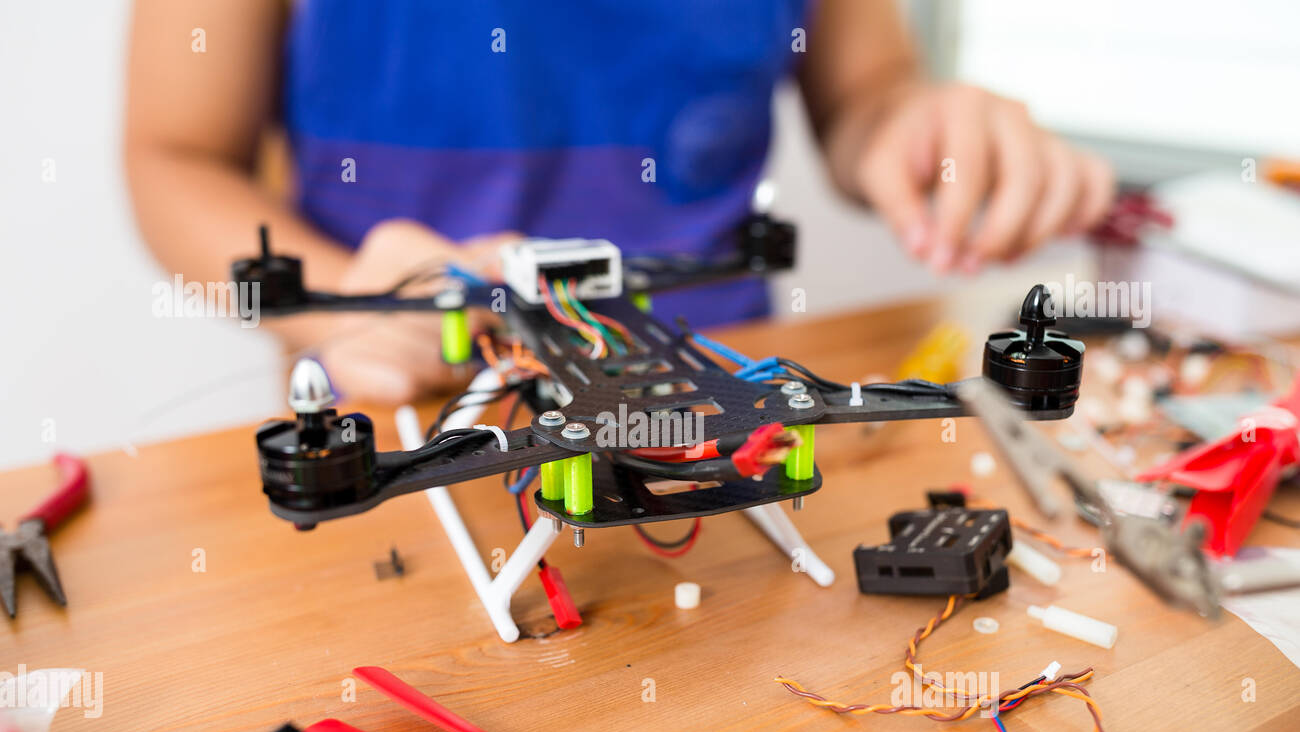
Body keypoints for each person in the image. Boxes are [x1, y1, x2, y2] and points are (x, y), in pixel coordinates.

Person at [125, 0, 1114, 404]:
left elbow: (865, 92)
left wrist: (919, 127)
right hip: (404, 414)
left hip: (722, 402)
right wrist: (349, 299)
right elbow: (173, 157)